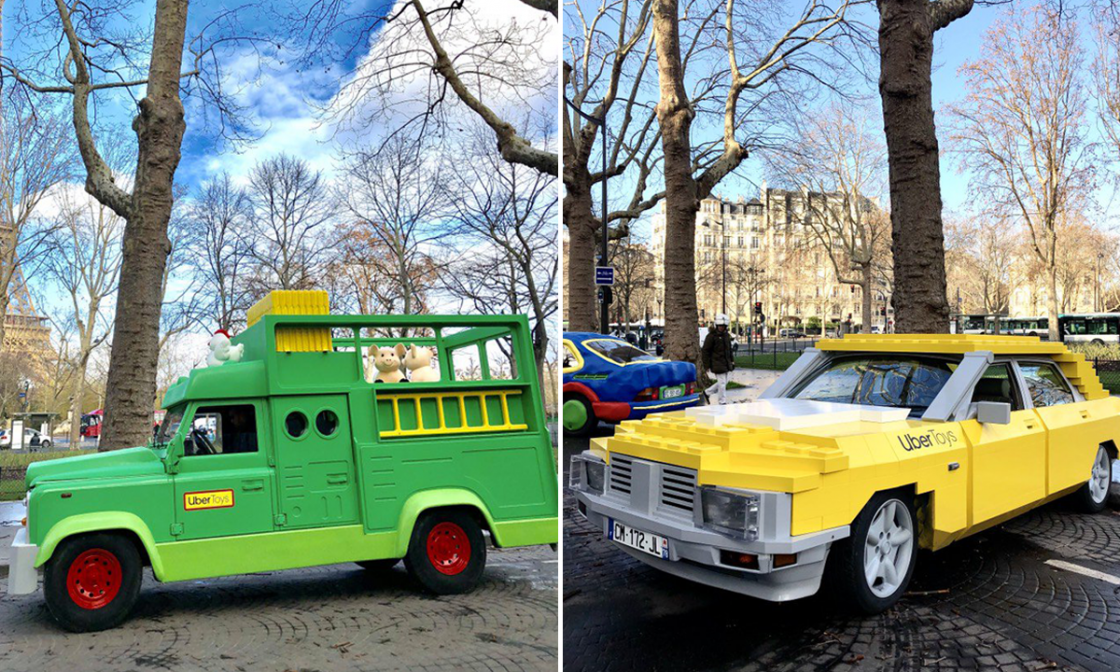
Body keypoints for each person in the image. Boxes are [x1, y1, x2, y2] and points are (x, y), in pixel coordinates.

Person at [702, 313, 735, 405]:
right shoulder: (711, 336)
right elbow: (705, 351)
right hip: (716, 363)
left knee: (724, 382)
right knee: (722, 384)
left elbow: (729, 350)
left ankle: (707, 393)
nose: (721, 327)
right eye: (720, 326)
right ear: (716, 325)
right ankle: (722, 402)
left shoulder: (726, 336)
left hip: (726, 363)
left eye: (723, 326)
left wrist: (732, 361)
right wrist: (707, 365)